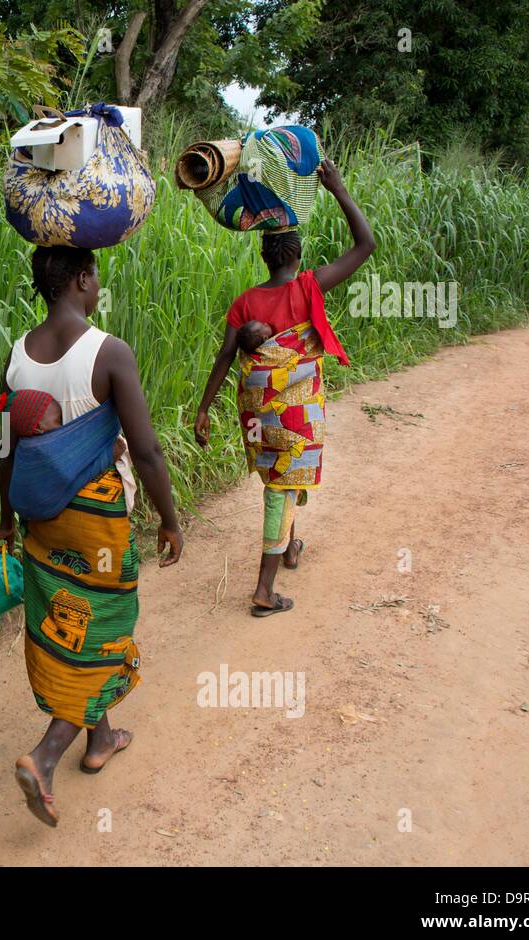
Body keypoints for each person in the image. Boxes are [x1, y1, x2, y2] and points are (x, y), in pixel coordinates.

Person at [0, 245, 184, 828]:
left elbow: (9, 450)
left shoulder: (17, 358)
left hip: (41, 521)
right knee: (106, 632)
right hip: (96, 519)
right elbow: (145, 450)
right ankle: (47, 756)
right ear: (79, 279)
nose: (98, 284)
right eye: (94, 274)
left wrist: (4, 517)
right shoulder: (109, 353)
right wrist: (169, 518)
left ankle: (101, 739)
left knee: (68, 622)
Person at [193, 159, 375, 617]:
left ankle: (290, 549)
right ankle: (263, 591)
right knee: (281, 490)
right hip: (294, 412)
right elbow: (366, 244)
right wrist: (337, 187)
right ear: (297, 256)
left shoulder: (245, 302)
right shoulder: (308, 287)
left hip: (256, 416)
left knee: (280, 477)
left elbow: (224, 358)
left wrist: (203, 410)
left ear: (263, 256)